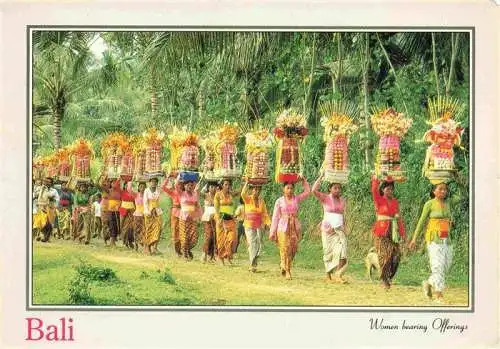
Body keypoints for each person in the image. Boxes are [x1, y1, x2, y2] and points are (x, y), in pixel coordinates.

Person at [409, 182, 457, 302]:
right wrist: (414, 239)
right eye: (440, 189)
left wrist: (456, 180)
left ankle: (429, 283)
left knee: (446, 265)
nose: (443, 191)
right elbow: (421, 222)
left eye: (445, 189)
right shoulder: (429, 204)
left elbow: (462, 195)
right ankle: (439, 294)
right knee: (437, 265)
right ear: (434, 191)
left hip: (446, 237)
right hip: (434, 238)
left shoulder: (448, 203)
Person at [269, 176, 310, 280]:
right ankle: (287, 270)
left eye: (291, 188)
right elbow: (275, 217)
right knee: (285, 247)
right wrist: (272, 231)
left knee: (293, 248)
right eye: (287, 188)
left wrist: (303, 180)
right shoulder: (279, 201)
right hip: (283, 227)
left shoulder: (297, 198)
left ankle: (283, 264)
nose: (290, 190)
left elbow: (307, 192)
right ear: (283, 189)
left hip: (294, 226)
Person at [370, 175, 406, 289]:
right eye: (387, 189)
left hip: (393, 232)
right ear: (383, 189)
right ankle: (384, 279)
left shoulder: (395, 202)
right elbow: (374, 190)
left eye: (391, 189)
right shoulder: (379, 200)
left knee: (396, 255)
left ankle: (389, 276)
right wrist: (376, 179)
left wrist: (403, 234)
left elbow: (399, 219)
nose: (389, 191)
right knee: (385, 256)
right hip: (382, 232)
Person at [312, 173, 348, 283]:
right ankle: (328, 275)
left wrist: (345, 227)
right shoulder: (325, 198)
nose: (337, 190)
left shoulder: (342, 200)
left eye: (339, 188)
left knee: (342, 251)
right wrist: (321, 177)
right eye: (335, 188)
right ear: (330, 189)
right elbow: (313, 190)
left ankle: (339, 274)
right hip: (328, 230)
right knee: (328, 252)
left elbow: (343, 215)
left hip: (339, 231)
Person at [241, 181, 271, 273]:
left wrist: (269, 223)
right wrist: (247, 183)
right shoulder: (248, 199)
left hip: (259, 225)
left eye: (258, 189)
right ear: (251, 190)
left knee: (259, 244)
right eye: (255, 189)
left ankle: (254, 260)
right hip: (249, 225)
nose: (257, 191)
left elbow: (264, 214)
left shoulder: (261, 201)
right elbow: (242, 194)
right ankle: (252, 264)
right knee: (252, 243)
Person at [214, 179, 240, 265]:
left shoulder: (231, 194)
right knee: (221, 240)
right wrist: (219, 219)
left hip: (230, 219)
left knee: (232, 239)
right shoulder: (218, 195)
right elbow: (217, 209)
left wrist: (245, 183)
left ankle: (228, 256)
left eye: (229, 185)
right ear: (222, 185)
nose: (227, 186)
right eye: (225, 184)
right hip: (221, 220)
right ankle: (221, 258)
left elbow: (240, 192)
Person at [178, 180, 202, 260]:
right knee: (184, 237)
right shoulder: (181, 194)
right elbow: (175, 185)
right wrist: (179, 177)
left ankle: (188, 250)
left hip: (193, 218)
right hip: (184, 219)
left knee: (194, 237)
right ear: (184, 186)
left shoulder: (195, 195)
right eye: (187, 185)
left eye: (191, 185)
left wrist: (200, 217)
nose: (189, 187)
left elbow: (198, 206)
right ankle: (185, 253)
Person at [33, 177, 60, 242]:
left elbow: (57, 199)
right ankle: (44, 237)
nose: (47, 183)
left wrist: (53, 200)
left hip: (51, 209)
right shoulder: (39, 189)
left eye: (49, 182)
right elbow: (34, 196)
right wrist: (37, 196)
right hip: (41, 208)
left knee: (50, 223)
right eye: (46, 181)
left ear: (51, 183)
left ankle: (46, 237)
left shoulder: (54, 191)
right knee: (43, 222)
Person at [162, 177, 183, 257]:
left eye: (181, 184)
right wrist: (167, 178)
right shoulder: (173, 192)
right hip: (175, 212)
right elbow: (163, 187)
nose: (179, 186)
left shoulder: (185, 193)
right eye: (178, 184)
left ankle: (182, 249)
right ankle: (177, 251)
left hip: (183, 212)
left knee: (182, 231)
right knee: (175, 231)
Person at [143, 177, 163, 255]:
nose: (154, 183)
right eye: (152, 181)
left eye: (155, 182)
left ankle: (154, 247)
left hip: (157, 211)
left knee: (158, 228)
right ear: (149, 182)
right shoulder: (146, 190)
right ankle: (147, 247)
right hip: (149, 212)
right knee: (149, 229)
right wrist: (147, 211)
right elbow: (145, 202)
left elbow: (165, 186)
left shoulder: (158, 190)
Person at [200, 182, 218, 263]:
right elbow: (198, 192)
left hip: (216, 218)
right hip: (207, 218)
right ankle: (204, 254)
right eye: (211, 187)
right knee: (209, 236)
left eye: (214, 187)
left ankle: (211, 256)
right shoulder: (206, 195)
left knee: (215, 237)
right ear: (208, 187)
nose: (213, 188)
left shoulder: (218, 196)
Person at [120, 182, 136, 249]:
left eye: (130, 185)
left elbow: (136, 202)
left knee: (131, 227)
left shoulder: (134, 194)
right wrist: (120, 179)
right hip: (124, 211)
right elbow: (116, 186)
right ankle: (125, 241)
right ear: (125, 186)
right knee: (124, 227)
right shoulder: (122, 192)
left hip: (132, 212)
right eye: (127, 185)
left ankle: (130, 241)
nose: (128, 186)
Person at [131, 182, 147, 252]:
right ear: (138, 188)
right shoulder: (136, 195)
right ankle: (136, 245)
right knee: (136, 230)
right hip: (137, 215)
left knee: (144, 230)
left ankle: (144, 245)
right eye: (141, 187)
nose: (142, 188)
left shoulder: (147, 196)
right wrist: (130, 180)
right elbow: (129, 189)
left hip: (145, 215)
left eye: (144, 187)